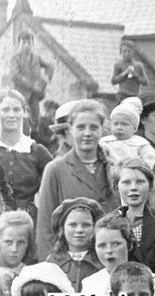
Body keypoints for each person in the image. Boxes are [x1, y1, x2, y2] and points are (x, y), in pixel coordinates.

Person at [35, 100, 117, 259]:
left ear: (102, 130)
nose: (87, 133)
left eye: (94, 127)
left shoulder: (114, 166)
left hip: (107, 258)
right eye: (80, 127)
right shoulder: (55, 169)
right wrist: (49, 268)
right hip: (70, 260)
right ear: (70, 129)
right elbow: (45, 228)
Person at [0, 90, 53, 218]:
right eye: (5, 110)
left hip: (27, 219)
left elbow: (54, 184)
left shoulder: (37, 152)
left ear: (25, 112)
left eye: (16, 110)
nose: (11, 115)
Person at [9, 31, 54, 130]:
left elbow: (50, 66)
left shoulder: (36, 58)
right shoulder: (15, 58)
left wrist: (45, 81)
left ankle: (33, 141)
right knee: (21, 119)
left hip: (34, 95)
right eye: (23, 43)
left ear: (32, 43)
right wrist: (32, 85)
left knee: (35, 119)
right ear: (19, 44)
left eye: (29, 43)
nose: (26, 46)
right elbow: (15, 75)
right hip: (20, 95)